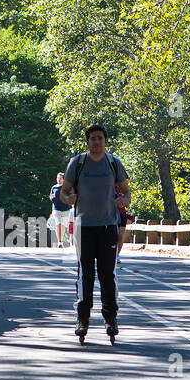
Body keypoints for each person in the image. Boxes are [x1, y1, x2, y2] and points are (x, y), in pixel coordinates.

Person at [60, 124, 130, 340]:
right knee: (85, 274)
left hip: (108, 226)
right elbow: (64, 192)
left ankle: (111, 318)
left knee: (108, 275)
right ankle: (83, 319)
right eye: (92, 138)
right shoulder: (78, 163)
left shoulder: (113, 163)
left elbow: (127, 193)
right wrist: (68, 198)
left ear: (106, 141)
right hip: (84, 227)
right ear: (87, 142)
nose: (96, 142)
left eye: (100, 138)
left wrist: (123, 200)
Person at [49, 172, 71, 247]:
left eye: (60, 178)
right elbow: (50, 197)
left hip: (65, 209)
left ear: (64, 179)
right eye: (57, 178)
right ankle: (59, 242)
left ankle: (61, 240)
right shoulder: (54, 187)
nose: (58, 179)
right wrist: (52, 198)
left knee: (63, 226)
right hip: (56, 209)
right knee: (58, 224)